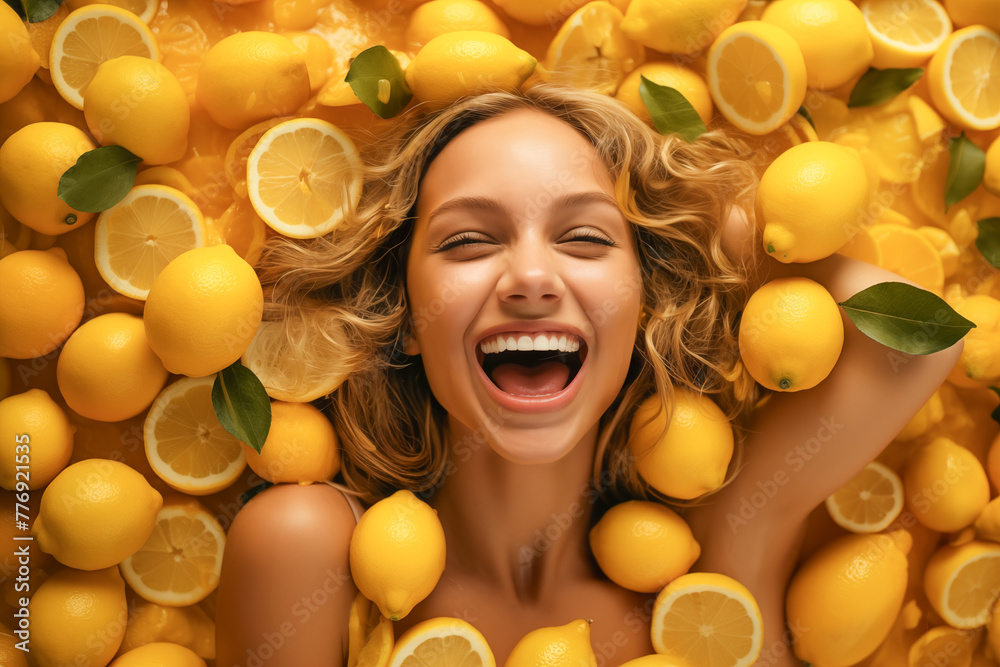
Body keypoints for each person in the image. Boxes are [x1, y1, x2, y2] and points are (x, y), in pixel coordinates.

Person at [215, 83, 962, 667]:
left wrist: (700, 233)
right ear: (405, 313)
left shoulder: (713, 564)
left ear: (643, 303)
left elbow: (916, 340)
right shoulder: (308, 548)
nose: (532, 276)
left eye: (583, 236)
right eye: (470, 240)